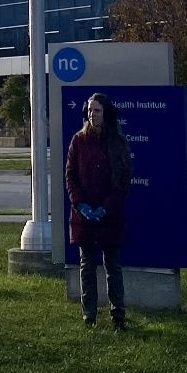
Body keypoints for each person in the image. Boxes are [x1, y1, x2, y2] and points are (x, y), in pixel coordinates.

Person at [65, 91, 133, 330]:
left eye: (97, 111)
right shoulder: (78, 140)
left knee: (112, 265)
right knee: (87, 265)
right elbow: (70, 176)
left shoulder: (117, 142)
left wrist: (105, 208)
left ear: (106, 114)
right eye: (90, 110)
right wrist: (81, 205)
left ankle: (118, 314)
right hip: (84, 215)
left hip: (109, 215)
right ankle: (89, 314)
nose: (92, 115)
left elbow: (123, 181)